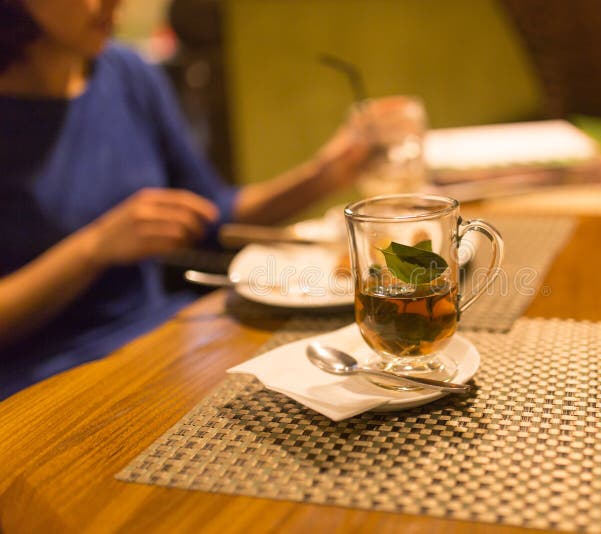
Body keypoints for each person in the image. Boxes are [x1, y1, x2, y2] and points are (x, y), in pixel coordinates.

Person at [0, 0, 376, 399]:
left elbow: (211, 215)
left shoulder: (127, 73)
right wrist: (95, 246)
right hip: (45, 379)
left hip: (157, 343)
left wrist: (326, 173)